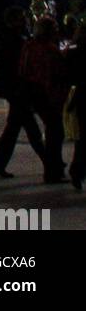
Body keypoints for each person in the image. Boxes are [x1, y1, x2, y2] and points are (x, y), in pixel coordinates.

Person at [0, 7, 44, 179]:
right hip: (17, 89)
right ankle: (50, 161)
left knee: (15, 127)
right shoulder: (15, 40)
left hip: (11, 89)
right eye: (22, 17)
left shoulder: (4, 38)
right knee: (29, 128)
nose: (25, 20)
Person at [19, 15, 67, 184]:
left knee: (53, 131)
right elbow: (54, 73)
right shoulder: (49, 50)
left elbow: (24, 70)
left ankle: (54, 167)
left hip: (32, 92)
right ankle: (53, 170)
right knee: (56, 132)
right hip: (46, 93)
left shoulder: (29, 46)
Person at [64, 23, 86, 190]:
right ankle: (77, 170)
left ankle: (77, 170)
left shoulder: (72, 53)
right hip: (80, 96)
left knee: (82, 139)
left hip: (78, 98)